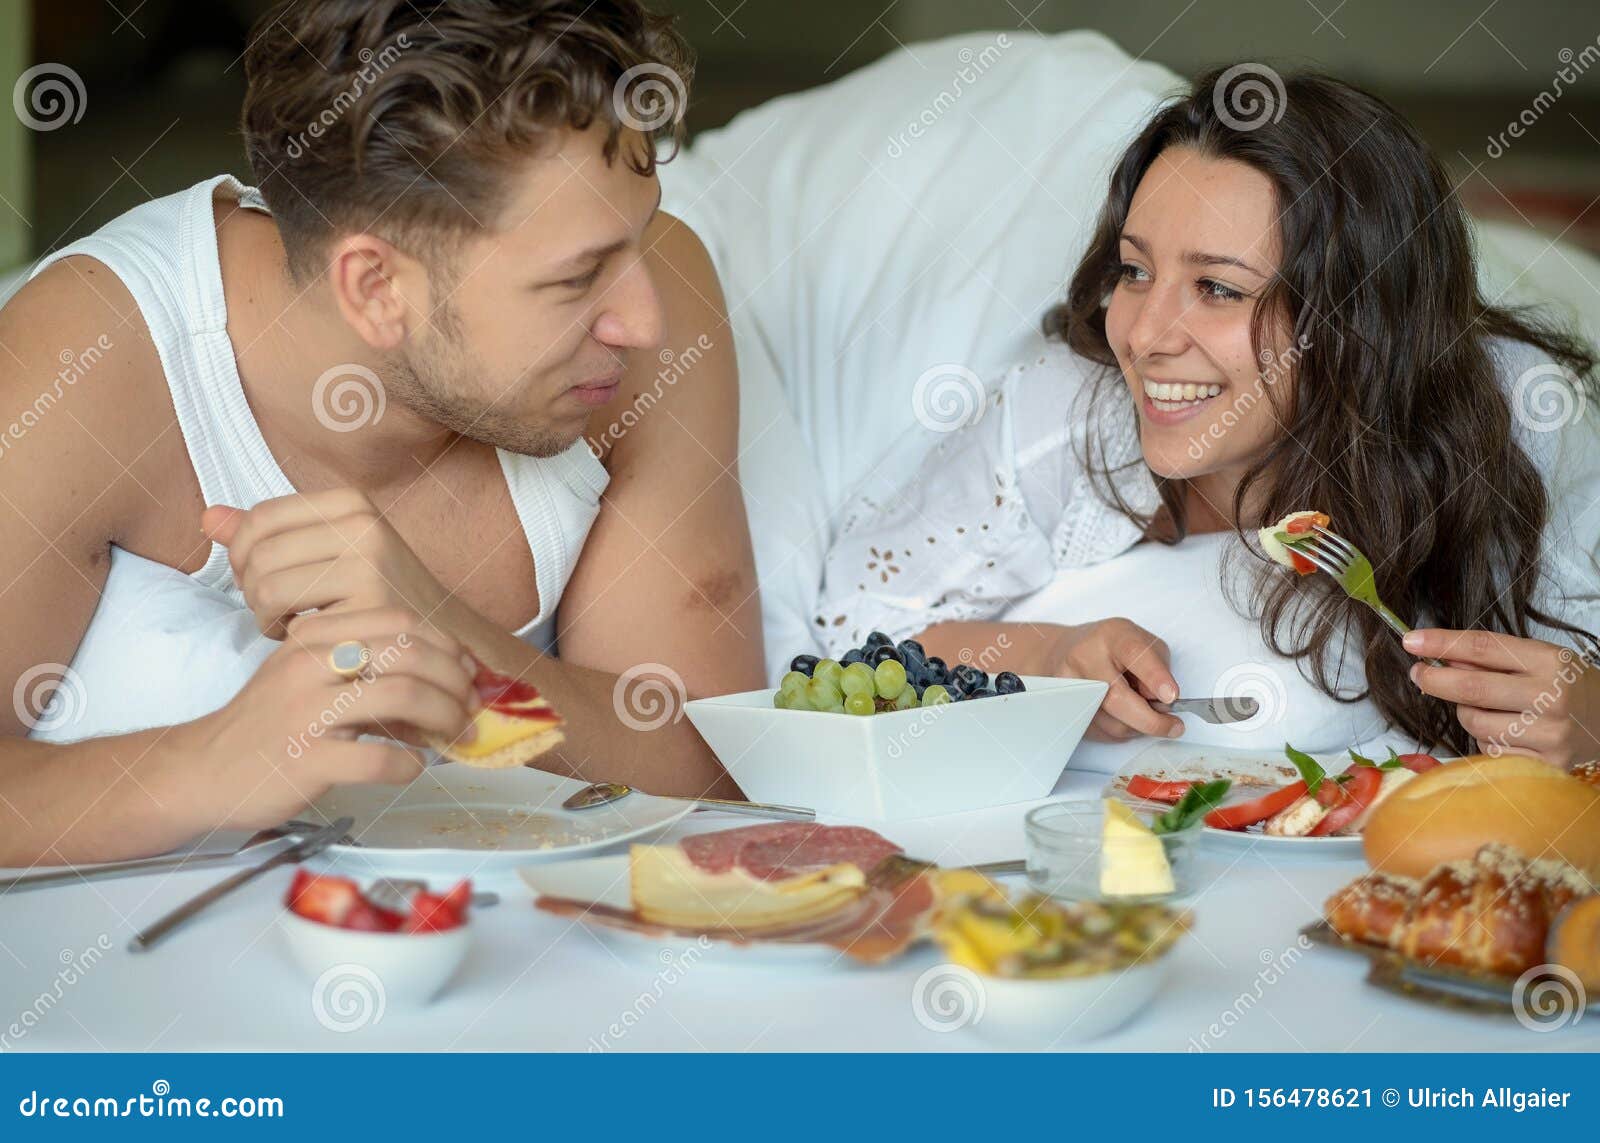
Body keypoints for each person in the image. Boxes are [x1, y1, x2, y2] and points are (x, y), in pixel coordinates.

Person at [0, 0, 764, 866]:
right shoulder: (87, 362)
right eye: (577, 278)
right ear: (374, 288)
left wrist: (453, 644)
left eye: (642, 230)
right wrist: (207, 764)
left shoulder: (652, 298)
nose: (645, 322)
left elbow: (713, 771)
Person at [815, 66, 1600, 770]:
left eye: (1218, 289)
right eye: (1135, 270)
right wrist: (1047, 654)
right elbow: (852, 646)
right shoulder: (1067, 417)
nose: (1147, 336)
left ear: (1357, 319)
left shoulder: (1520, 416)